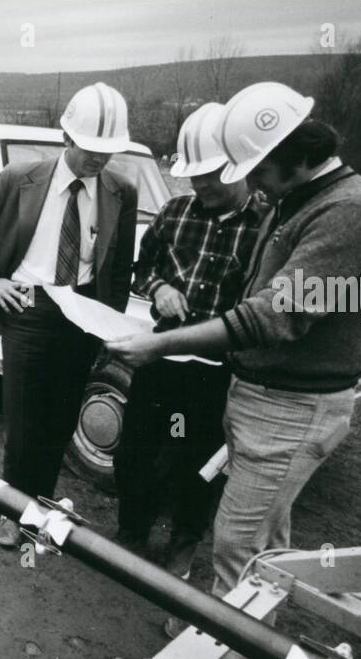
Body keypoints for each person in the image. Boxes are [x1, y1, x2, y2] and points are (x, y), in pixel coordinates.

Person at [107, 82, 361, 659]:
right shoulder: (305, 198)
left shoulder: (352, 213)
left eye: (257, 170)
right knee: (267, 544)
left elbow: (276, 316)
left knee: (235, 547)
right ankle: (254, 643)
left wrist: (163, 346)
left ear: (293, 153)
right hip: (269, 401)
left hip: (292, 410)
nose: (256, 185)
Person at [0, 83, 138, 548]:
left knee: (59, 418)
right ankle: (12, 510)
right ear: (67, 137)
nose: (98, 160)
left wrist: (106, 326)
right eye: (90, 149)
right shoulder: (21, 178)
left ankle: (41, 506)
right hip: (28, 309)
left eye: (107, 152)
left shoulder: (122, 191)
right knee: (23, 415)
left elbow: (118, 267)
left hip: (83, 313)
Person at [114, 102, 266, 580]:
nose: (200, 187)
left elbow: (267, 309)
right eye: (194, 177)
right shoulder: (176, 212)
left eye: (211, 176)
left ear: (239, 166)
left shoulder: (267, 228)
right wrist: (159, 288)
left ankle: (183, 544)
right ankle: (132, 531)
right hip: (162, 357)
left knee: (198, 465)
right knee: (136, 448)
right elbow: (143, 269)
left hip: (220, 372)